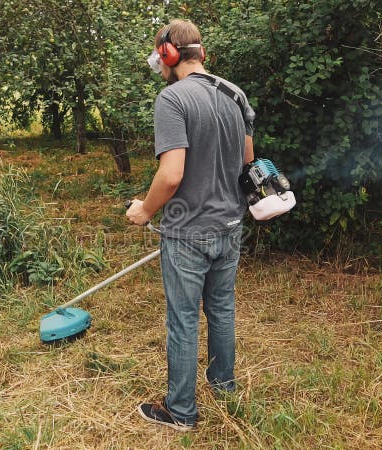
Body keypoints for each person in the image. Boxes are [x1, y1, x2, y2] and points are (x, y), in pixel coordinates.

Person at [126, 19, 255, 431]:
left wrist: (145, 210)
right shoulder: (235, 93)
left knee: (183, 319)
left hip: (187, 233)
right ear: (202, 53)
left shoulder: (172, 99)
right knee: (222, 309)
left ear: (168, 55)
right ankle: (224, 387)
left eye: (158, 57)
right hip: (230, 225)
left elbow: (171, 175)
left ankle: (180, 411)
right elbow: (248, 162)